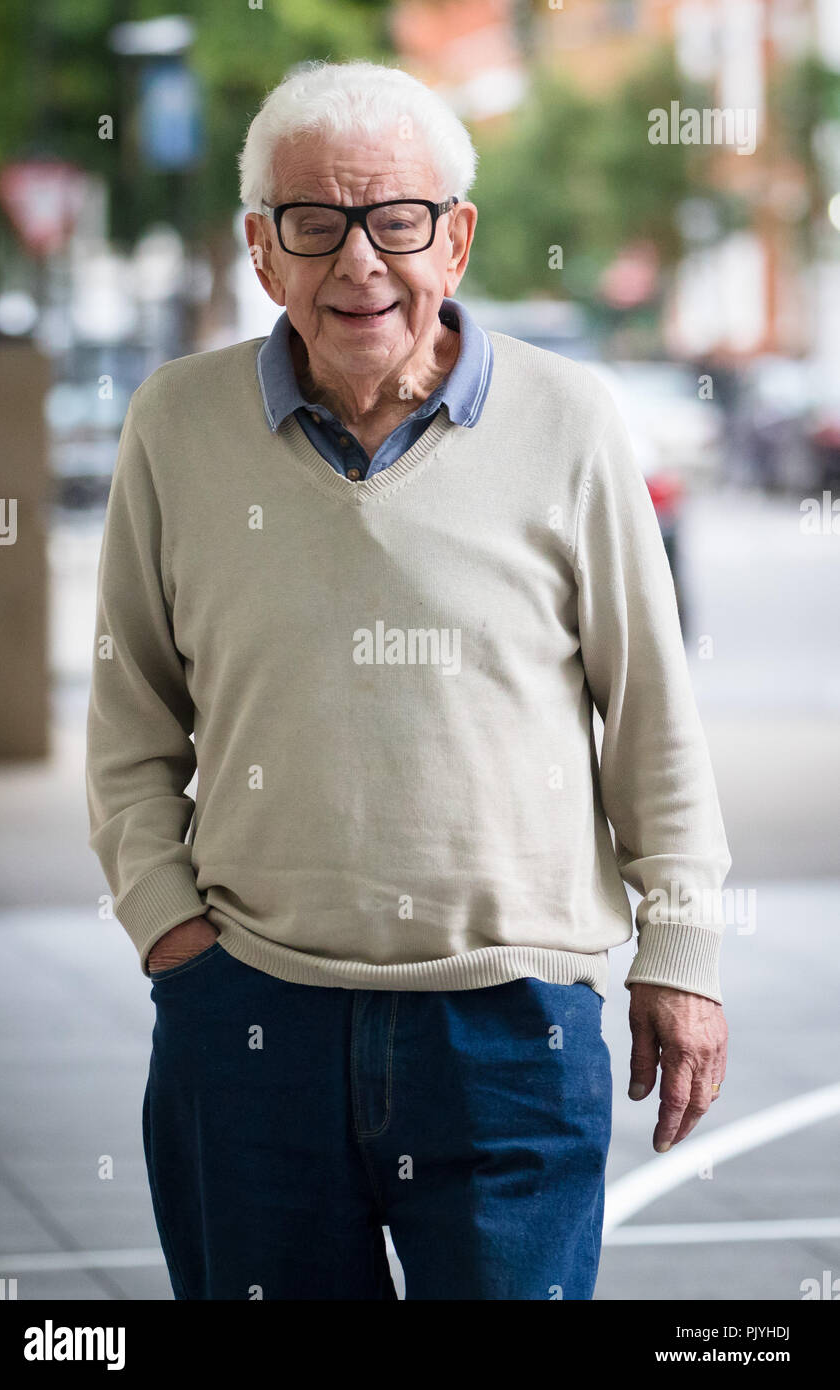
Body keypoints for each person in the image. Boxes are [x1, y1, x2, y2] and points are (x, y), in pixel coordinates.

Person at [85, 59, 732, 1301]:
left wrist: (682, 952)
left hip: (510, 1029)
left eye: (396, 219)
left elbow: (651, 710)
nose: (359, 261)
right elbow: (130, 725)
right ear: (260, 251)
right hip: (250, 1014)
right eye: (313, 223)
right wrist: (175, 940)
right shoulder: (174, 424)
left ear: (456, 237)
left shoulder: (571, 420)